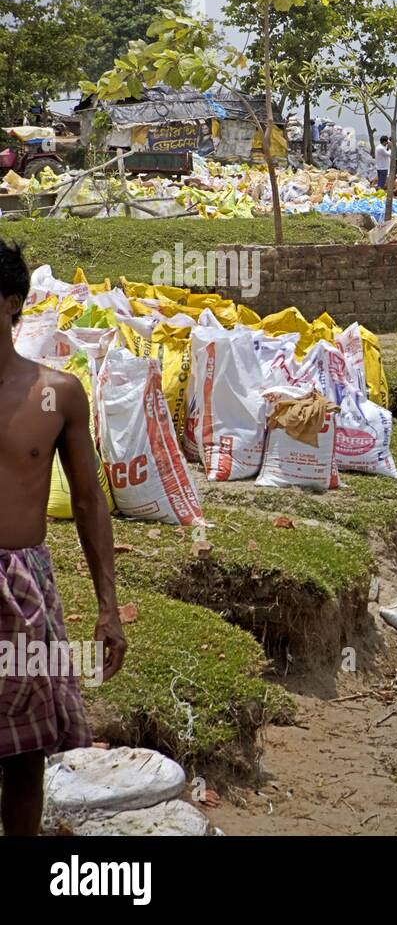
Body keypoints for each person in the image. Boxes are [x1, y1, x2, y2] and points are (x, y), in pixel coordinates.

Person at [0, 242, 127, 835]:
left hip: (23, 590)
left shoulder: (59, 394)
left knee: (25, 756)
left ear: (8, 305)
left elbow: (88, 500)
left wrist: (108, 608)